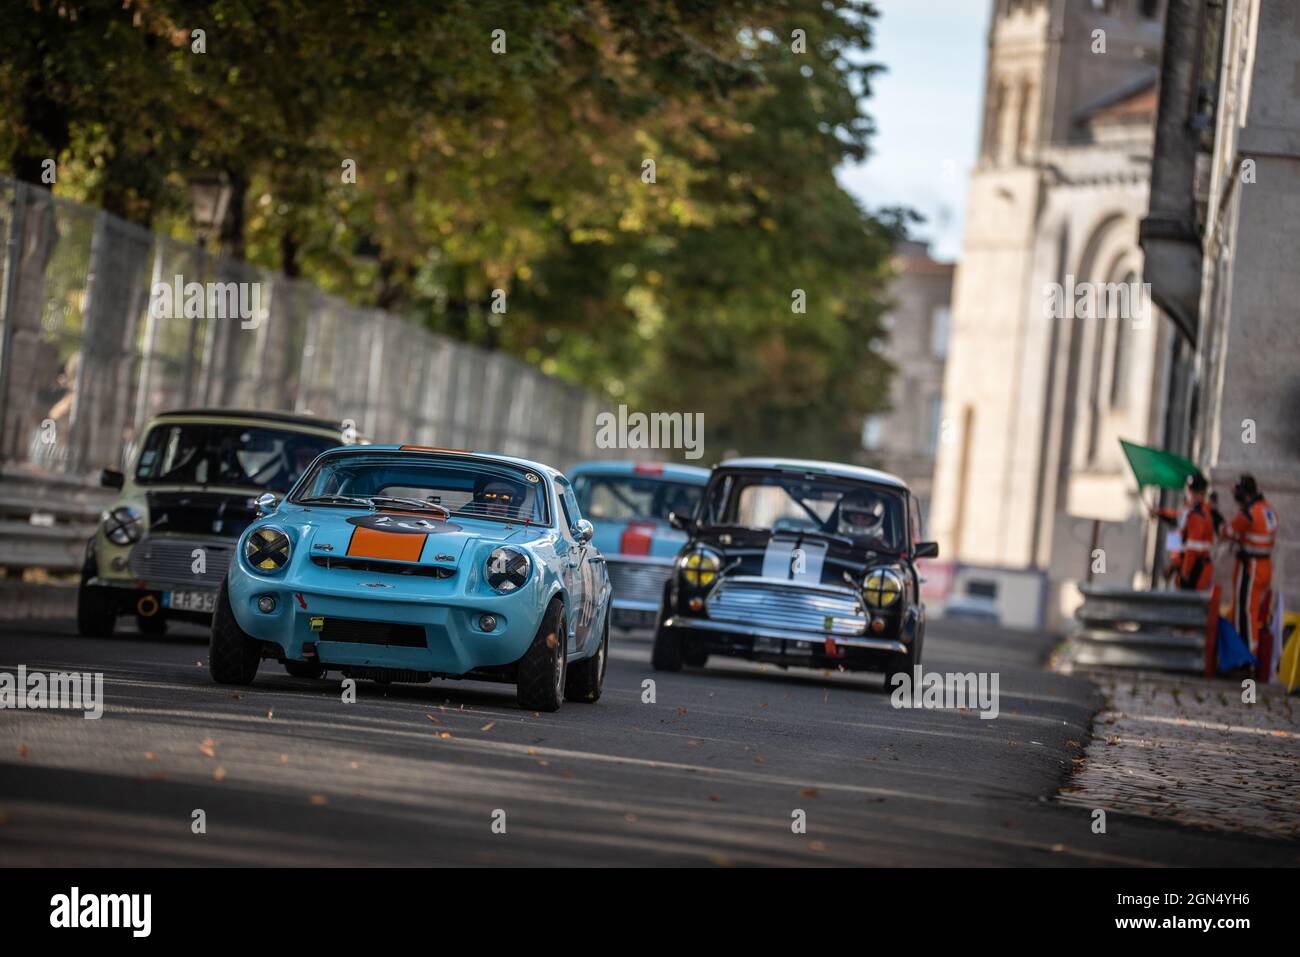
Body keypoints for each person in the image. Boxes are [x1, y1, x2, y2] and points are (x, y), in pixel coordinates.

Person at [1225, 474, 1278, 669]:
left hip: (1251, 567)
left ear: (1245, 493)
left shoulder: (1249, 512)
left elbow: (1227, 531)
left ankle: (1246, 659)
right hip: (1265, 566)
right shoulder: (1268, 509)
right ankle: (1248, 657)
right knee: (1252, 613)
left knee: (1245, 613)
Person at [1150, 474, 1214, 591]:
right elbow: (1177, 519)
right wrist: (1159, 513)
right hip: (1185, 565)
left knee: (1187, 604)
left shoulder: (1197, 514)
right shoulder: (1191, 509)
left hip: (1194, 569)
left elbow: (1192, 547)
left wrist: (1185, 571)